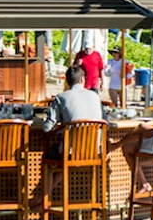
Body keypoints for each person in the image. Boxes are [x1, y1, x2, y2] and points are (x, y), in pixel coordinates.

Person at [32, 66, 104, 209]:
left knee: (49, 161)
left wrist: (61, 129)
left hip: (70, 152)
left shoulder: (61, 97)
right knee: (61, 162)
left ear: (67, 81)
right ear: (82, 79)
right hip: (94, 151)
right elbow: (105, 121)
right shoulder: (95, 96)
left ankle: (44, 200)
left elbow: (47, 128)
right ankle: (43, 199)